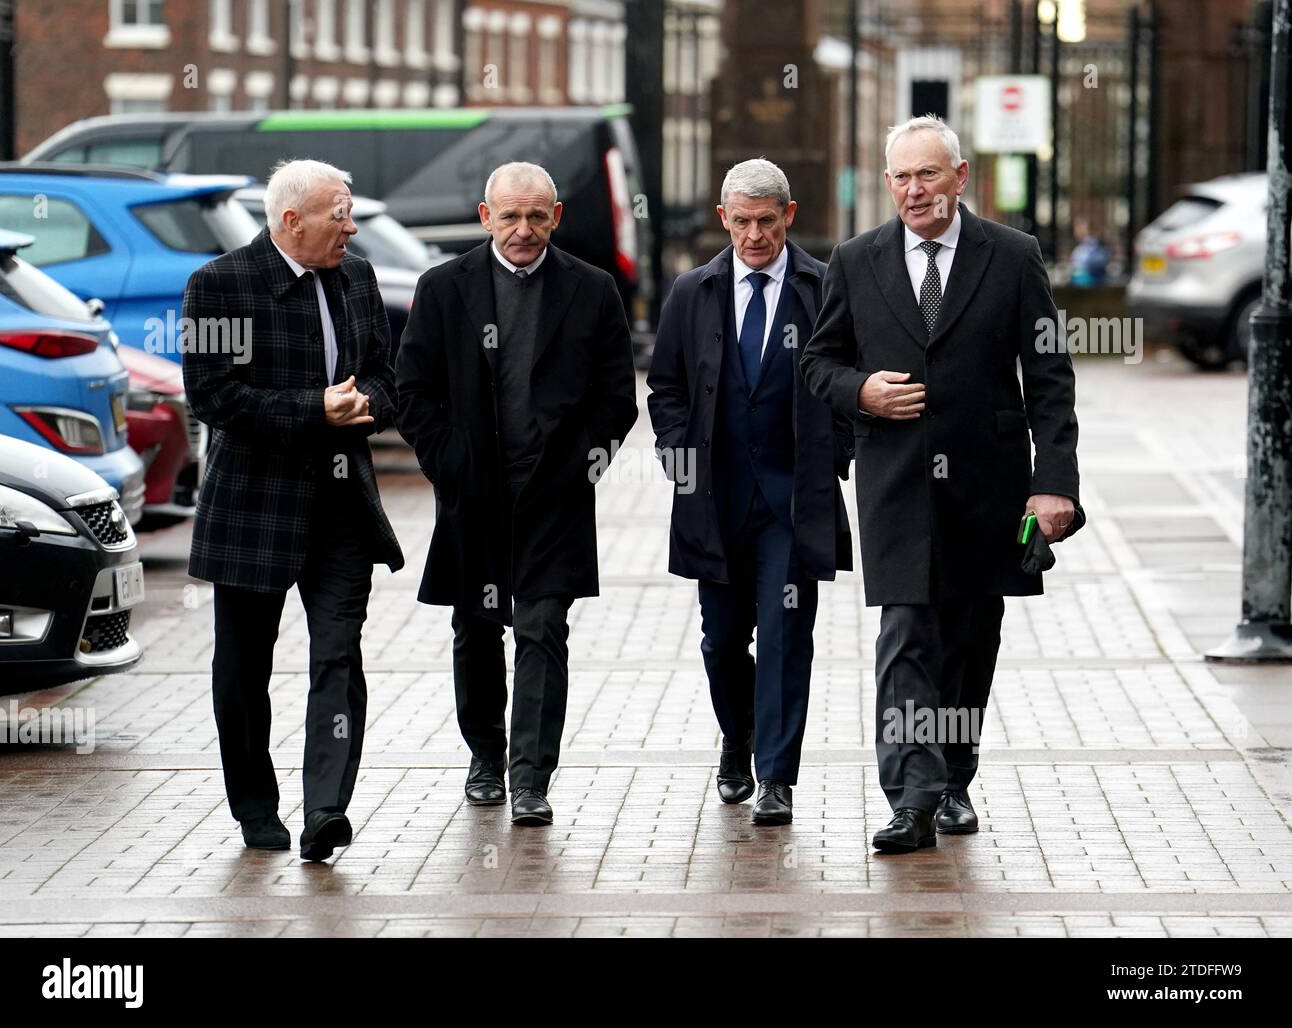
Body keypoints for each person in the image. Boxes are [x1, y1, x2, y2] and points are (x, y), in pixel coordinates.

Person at [801, 116, 1080, 853]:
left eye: (930, 174)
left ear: (961, 177)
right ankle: (911, 797)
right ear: (887, 182)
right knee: (906, 632)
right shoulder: (857, 259)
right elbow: (817, 362)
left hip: (986, 485)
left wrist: (1054, 484)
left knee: (968, 637)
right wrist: (861, 391)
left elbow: (1049, 379)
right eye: (903, 177)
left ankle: (956, 775)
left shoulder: (1014, 256)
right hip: (894, 483)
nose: (916, 190)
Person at [395, 161, 638, 826]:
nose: (523, 230)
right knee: (475, 631)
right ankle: (485, 758)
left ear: (556, 217)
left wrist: (577, 468)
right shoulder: (444, 288)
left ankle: (531, 776)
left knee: (541, 631)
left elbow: (617, 399)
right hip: (473, 498)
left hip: (553, 501)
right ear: (485, 217)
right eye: (510, 216)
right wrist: (448, 462)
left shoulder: (590, 290)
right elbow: (411, 390)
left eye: (537, 216)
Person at [183, 158, 404, 862]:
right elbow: (212, 396)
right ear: (290, 222)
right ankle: (255, 806)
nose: (351, 225)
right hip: (252, 509)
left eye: (350, 212)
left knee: (338, 654)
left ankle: (326, 811)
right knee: (245, 666)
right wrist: (315, 409)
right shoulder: (217, 285)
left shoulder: (359, 277)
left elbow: (384, 378)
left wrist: (366, 401)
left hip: (342, 505)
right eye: (339, 213)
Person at [647, 159, 853, 825]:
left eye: (767, 221)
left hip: (794, 504)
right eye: (742, 222)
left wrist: (835, 455)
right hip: (715, 500)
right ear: (723, 219)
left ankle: (777, 777)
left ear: (789, 216)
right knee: (721, 640)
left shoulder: (823, 289)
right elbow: (667, 389)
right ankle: (736, 740)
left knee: (789, 636)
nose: (755, 235)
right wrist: (680, 459)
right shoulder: (692, 293)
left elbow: (848, 379)